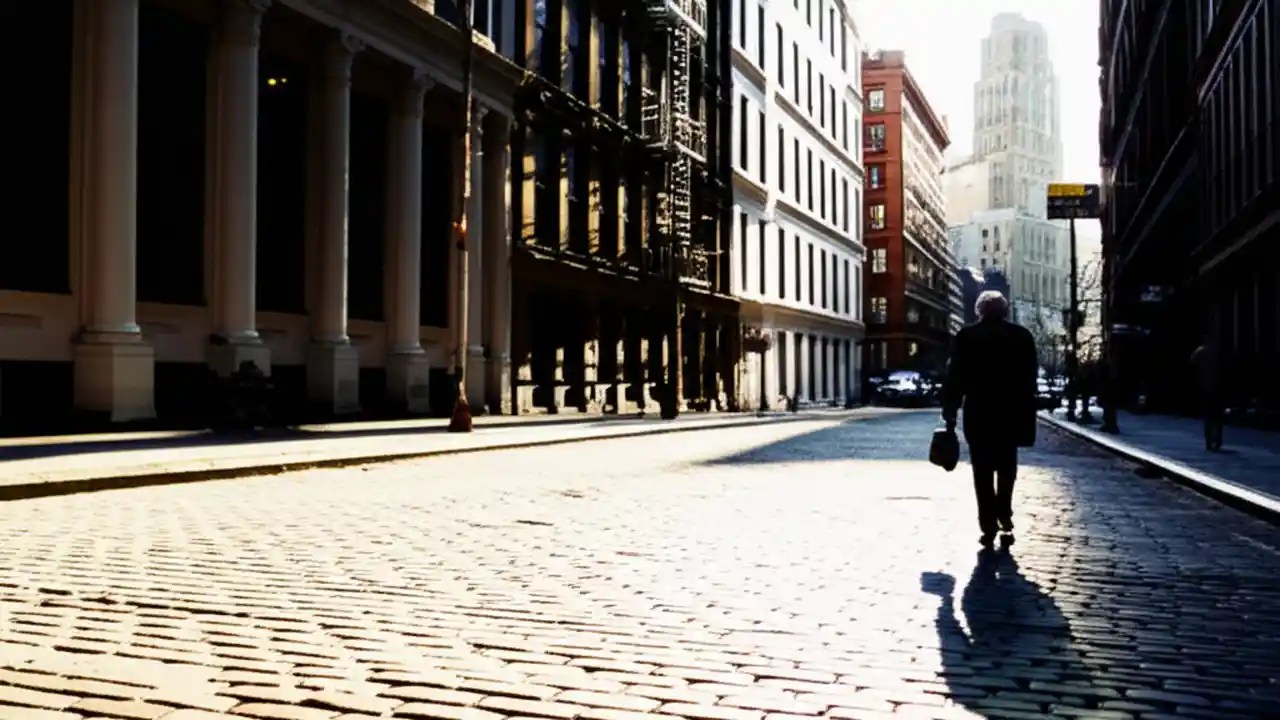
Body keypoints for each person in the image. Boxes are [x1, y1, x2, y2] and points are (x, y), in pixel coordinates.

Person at [942, 291, 1039, 547]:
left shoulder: (967, 336)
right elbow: (1030, 377)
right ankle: (1004, 513)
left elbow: (955, 376)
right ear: (1005, 310)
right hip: (1010, 412)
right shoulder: (1021, 336)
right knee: (1007, 467)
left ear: (979, 310)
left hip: (979, 412)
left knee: (982, 471)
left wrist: (950, 412)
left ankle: (987, 521)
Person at [1190, 334, 1223, 451]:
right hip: (1218, 387)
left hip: (1205, 386)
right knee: (1218, 416)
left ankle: (1209, 441)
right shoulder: (1219, 352)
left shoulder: (1200, 351)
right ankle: (1218, 440)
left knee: (1208, 416)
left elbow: (1192, 363)